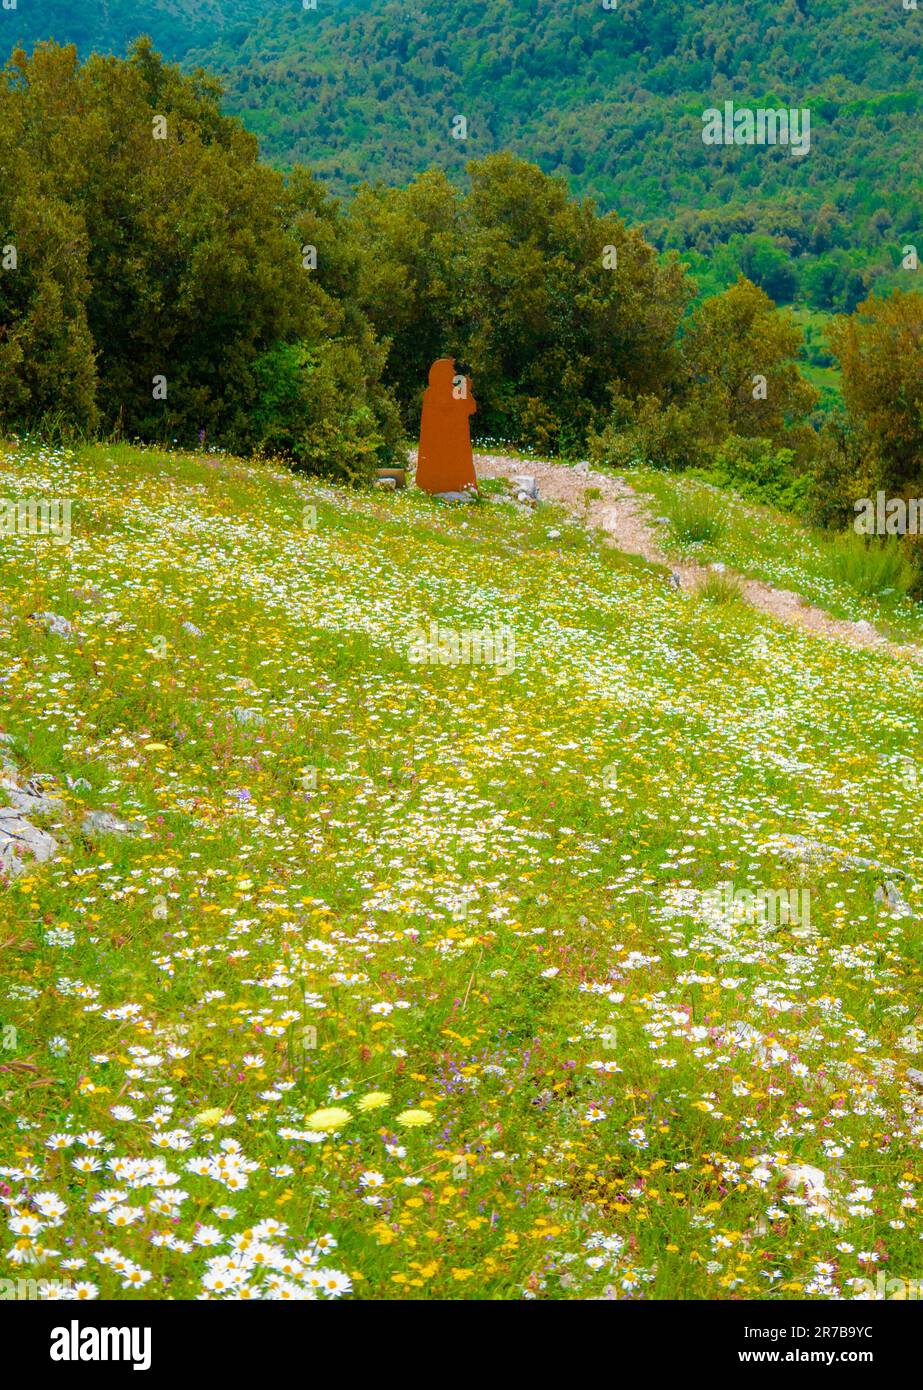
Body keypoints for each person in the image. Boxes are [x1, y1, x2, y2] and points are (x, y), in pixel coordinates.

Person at [415, 357, 478, 495]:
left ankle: (459, 484)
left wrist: (466, 391)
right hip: (439, 440)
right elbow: (446, 409)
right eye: (450, 371)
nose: (453, 375)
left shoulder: (454, 391)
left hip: (453, 438)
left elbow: (470, 408)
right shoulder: (432, 393)